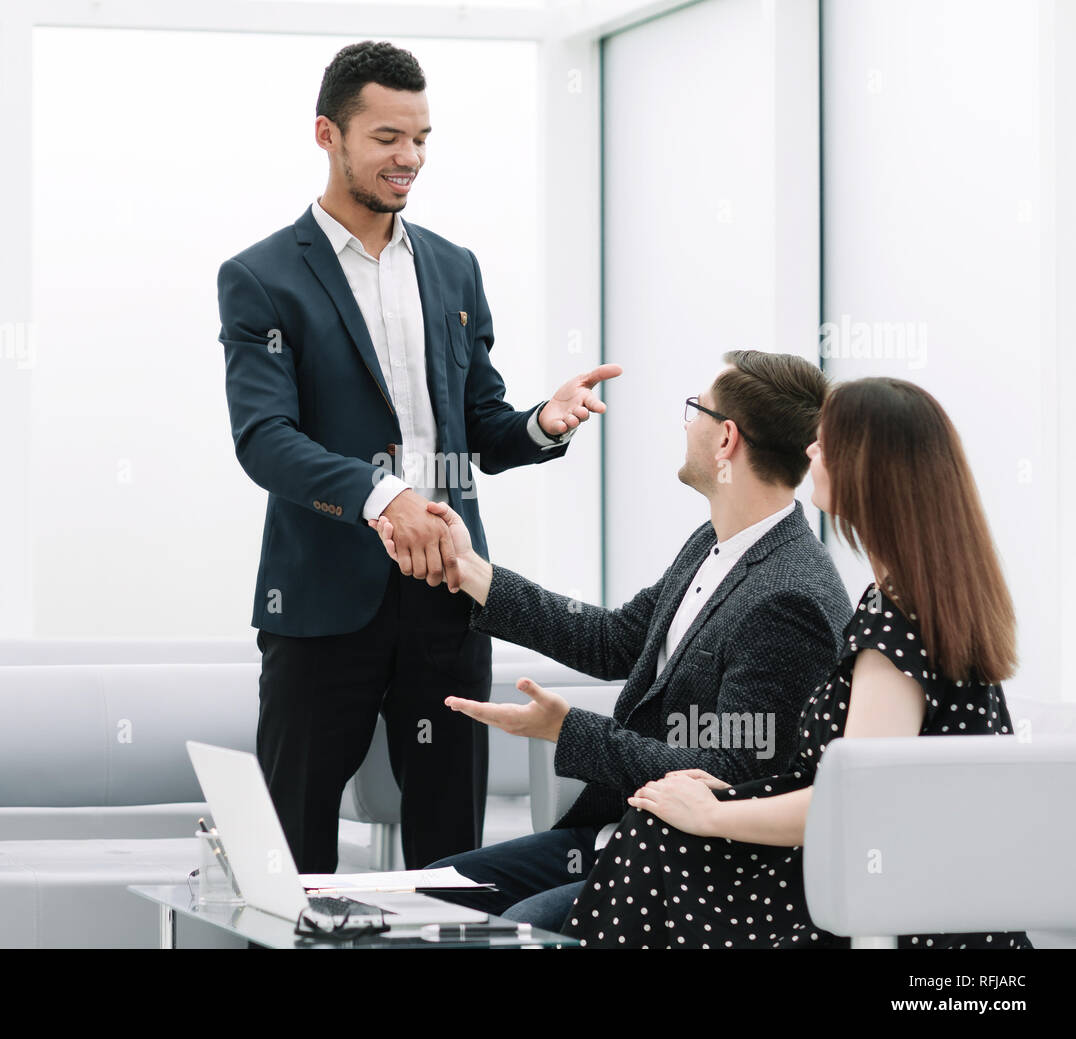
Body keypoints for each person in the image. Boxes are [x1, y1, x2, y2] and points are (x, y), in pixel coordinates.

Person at [218, 40, 621, 873]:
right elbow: (266, 440)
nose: (409, 158)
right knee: (290, 855)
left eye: (423, 138)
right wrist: (382, 495)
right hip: (323, 606)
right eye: (388, 138)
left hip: (449, 597)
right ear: (328, 135)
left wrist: (544, 421)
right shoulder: (260, 278)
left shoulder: (453, 270)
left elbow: (481, 428)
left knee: (452, 855)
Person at [371, 350, 852, 929]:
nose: (685, 424)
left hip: (702, 867)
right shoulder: (713, 543)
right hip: (621, 836)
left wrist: (568, 730)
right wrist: (474, 572)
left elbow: (733, 772)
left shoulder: (788, 597)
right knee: (425, 894)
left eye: (693, 410)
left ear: (726, 439)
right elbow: (612, 640)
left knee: (520, 923)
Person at [560, 376, 1032, 948]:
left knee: (657, 844)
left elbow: (858, 802)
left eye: (826, 444)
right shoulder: (922, 603)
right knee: (655, 835)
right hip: (887, 877)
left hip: (900, 908)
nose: (811, 451)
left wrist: (712, 814)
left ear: (868, 471)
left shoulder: (895, 625)